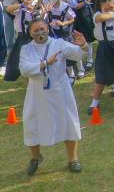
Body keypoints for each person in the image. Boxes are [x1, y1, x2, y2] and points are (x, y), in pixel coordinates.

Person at [19, 17, 89, 175]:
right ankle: (35, 158)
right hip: (37, 93)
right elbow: (24, 69)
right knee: (32, 124)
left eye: (42, 28)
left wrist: (83, 45)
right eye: (36, 30)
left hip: (60, 90)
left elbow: (79, 55)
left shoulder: (59, 44)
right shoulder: (26, 49)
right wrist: (45, 63)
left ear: (48, 29)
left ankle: (73, 159)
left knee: (69, 123)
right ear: (30, 33)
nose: (40, 32)